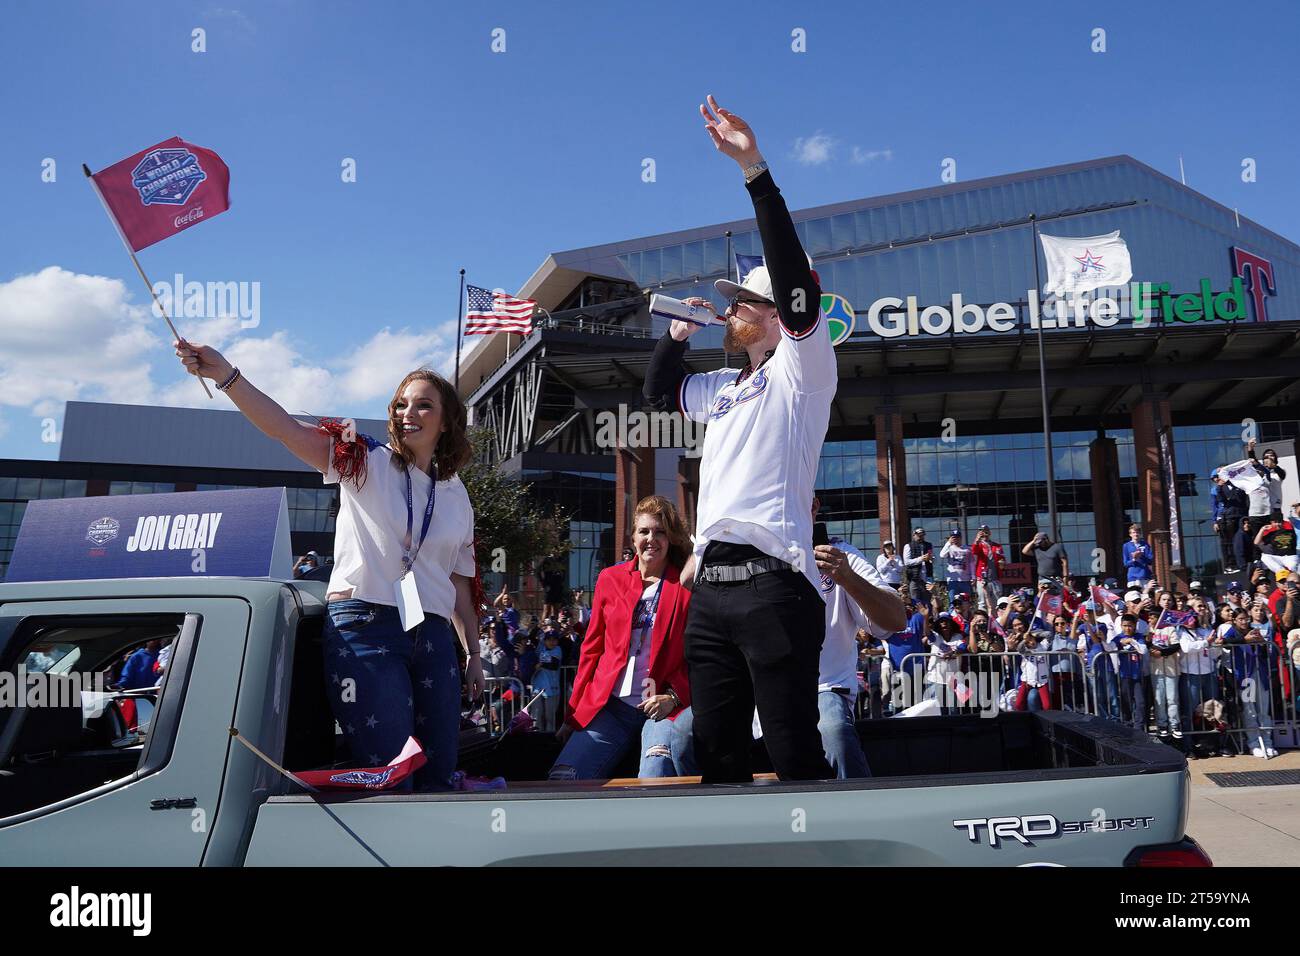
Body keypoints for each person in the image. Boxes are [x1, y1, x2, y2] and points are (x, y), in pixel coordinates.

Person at [173, 340, 483, 790]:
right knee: (391, 776)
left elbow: (459, 583)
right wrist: (226, 376)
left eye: (423, 405)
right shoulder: (366, 460)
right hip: (366, 626)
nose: (407, 413)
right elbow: (284, 429)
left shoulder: (456, 493)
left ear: (447, 420)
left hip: (433, 635)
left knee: (438, 774)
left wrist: (474, 654)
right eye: (400, 404)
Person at [641, 96, 835, 783]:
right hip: (713, 592)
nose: (731, 310)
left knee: (791, 750)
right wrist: (673, 340)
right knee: (716, 757)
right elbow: (659, 395)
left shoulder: (803, 370)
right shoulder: (724, 389)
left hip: (774, 586)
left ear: (780, 313)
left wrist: (754, 169)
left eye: (743, 302)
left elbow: (796, 287)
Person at [551, 496, 694, 780]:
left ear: (672, 539)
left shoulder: (686, 586)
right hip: (611, 707)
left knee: (657, 779)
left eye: (660, 531)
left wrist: (674, 696)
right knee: (563, 778)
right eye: (644, 531)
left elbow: (700, 654)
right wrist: (573, 715)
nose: (651, 539)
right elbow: (591, 651)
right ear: (632, 538)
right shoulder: (610, 579)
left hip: (662, 709)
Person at [1114, 614, 1148, 732]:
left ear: (1134, 626)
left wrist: (1131, 641)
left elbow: (1143, 650)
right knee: (1126, 702)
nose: (1127, 628)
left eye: (1130, 626)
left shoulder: (1138, 637)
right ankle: (1127, 726)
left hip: (1137, 675)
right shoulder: (1118, 637)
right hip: (1124, 675)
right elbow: (1109, 647)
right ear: (1121, 626)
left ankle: (1139, 728)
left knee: (1140, 702)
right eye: (1125, 626)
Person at [1212, 470, 1248, 572]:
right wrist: (1215, 521)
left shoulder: (1239, 484)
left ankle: (1243, 563)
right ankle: (1231, 565)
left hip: (1241, 516)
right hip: (1229, 517)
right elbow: (1220, 501)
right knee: (1230, 542)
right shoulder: (1220, 488)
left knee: (1242, 540)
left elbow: (1243, 498)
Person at [532, 630, 564, 733]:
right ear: (544, 641)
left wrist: (540, 664)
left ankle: (550, 741)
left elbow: (554, 664)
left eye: (554, 640)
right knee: (536, 716)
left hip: (552, 689)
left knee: (550, 717)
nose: (551, 642)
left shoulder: (558, 650)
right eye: (549, 640)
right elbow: (531, 638)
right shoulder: (540, 648)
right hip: (538, 688)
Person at [1247, 440, 1287, 520]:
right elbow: (1253, 460)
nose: (1269, 458)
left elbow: (1282, 474)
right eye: (1266, 457)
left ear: (1275, 458)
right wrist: (1250, 447)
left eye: (1271, 456)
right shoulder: (1261, 470)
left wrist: (1273, 465)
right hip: (1263, 509)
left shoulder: (1279, 471)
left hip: (1275, 508)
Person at [971, 525, 1006, 614]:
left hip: (995, 579)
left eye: (986, 531)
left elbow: (1002, 559)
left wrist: (1002, 563)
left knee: (997, 602)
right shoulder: (979, 545)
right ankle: (983, 621)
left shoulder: (997, 546)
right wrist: (977, 539)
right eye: (982, 531)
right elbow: (974, 551)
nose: (984, 533)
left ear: (990, 532)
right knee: (982, 603)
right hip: (982, 579)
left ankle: (996, 623)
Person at [939, 529, 973, 608]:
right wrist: (948, 543)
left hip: (965, 580)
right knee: (953, 602)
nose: (955, 539)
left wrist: (973, 577)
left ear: (961, 538)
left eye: (957, 537)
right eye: (953, 537)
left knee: (966, 602)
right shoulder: (949, 548)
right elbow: (942, 555)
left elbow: (971, 564)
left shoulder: (967, 549)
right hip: (953, 581)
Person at [902, 527, 934, 605]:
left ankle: (928, 616)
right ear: (914, 535)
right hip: (914, 578)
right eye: (919, 535)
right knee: (915, 603)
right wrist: (921, 559)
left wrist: (930, 558)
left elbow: (934, 560)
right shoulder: (908, 546)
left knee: (927, 603)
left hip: (927, 578)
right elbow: (906, 562)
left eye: (922, 535)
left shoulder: (929, 545)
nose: (921, 537)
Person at [1122, 525, 1154, 589]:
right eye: (1133, 532)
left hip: (1145, 575)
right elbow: (1125, 563)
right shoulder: (1126, 546)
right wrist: (1134, 559)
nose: (1136, 534)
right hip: (1133, 577)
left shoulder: (1145, 544)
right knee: (1135, 596)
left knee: (1146, 596)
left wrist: (1141, 556)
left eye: (1137, 532)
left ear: (1140, 534)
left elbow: (1150, 560)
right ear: (1130, 534)